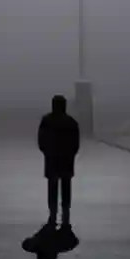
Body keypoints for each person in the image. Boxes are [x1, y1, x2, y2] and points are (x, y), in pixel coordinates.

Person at [38, 94, 80, 230]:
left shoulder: (47, 120)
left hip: (52, 160)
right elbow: (75, 143)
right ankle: (65, 214)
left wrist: (47, 152)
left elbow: (41, 140)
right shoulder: (71, 122)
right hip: (66, 160)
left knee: (52, 188)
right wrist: (71, 154)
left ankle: (52, 213)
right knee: (66, 188)